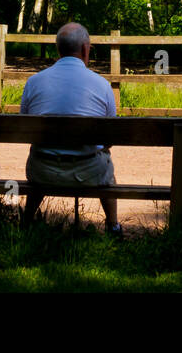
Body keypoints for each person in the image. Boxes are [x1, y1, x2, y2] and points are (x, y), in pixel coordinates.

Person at [19, 22, 122, 235]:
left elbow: (25, 129)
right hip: (88, 172)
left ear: (58, 49)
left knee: (40, 153)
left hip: (42, 171)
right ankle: (113, 227)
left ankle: (26, 223)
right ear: (85, 50)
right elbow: (110, 137)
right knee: (106, 160)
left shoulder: (34, 82)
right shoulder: (101, 84)